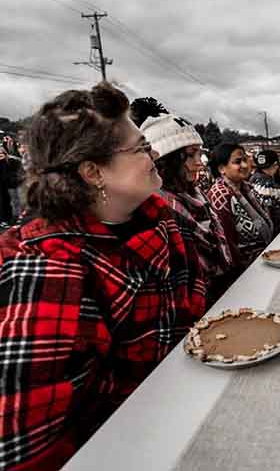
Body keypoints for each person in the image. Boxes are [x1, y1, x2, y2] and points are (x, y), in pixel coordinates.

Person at [0, 82, 207, 470]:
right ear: (93, 171)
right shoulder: (45, 268)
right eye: (141, 148)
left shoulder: (163, 224)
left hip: (180, 412)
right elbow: (24, 448)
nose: (155, 154)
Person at [140, 113, 236, 302]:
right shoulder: (156, 208)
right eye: (190, 155)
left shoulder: (196, 194)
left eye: (199, 153)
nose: (199, 162)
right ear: (166, 161)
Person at [207, 142, 274, 270]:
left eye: (245, 160)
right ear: (222, 169)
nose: (244, 165)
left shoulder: (247, 188)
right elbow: (228, 246)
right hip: (243, 272)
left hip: (262, 263)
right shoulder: (220, 194)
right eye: (237, 162)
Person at [250, 149, 280, 234]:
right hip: (277, 231)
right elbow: (269, 212)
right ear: (275, 165)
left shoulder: (254, 178)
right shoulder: (266, 183)